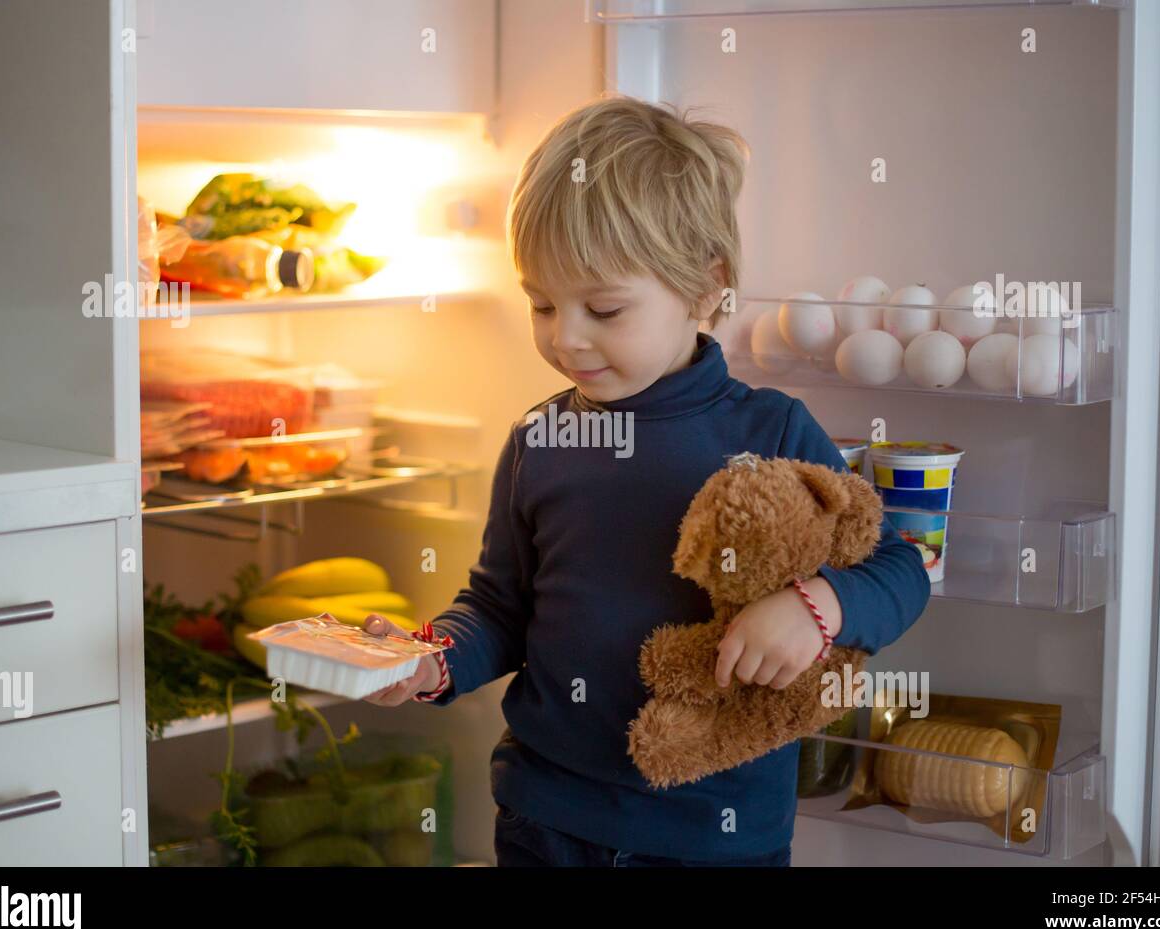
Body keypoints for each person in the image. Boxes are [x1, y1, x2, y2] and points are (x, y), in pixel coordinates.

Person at [362, 93, 931, 867]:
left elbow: (901, 569)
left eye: (604, 308)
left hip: (715, 837)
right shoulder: (542, 439)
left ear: (706, 288)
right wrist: (432, 658)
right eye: (541, 303)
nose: (566, 337)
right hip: (546, 819)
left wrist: (817, 607)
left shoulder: (769, 432)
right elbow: (499, 606)